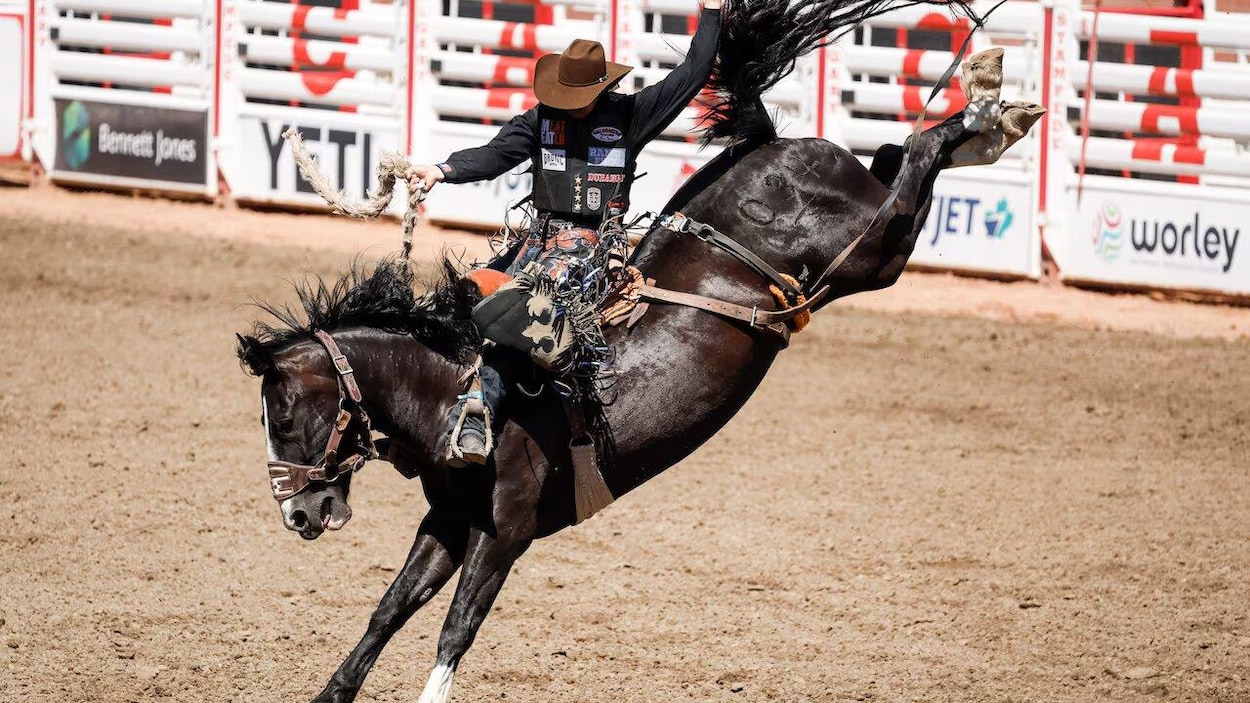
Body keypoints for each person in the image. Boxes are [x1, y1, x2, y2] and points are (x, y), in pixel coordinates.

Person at [407, 0, 723, 467]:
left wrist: (712, 12)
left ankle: (478, 412)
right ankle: (420, 420)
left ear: (600, 89)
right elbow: (496, 155)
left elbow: (692, 73)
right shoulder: (541, 119)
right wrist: (442, 169)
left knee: (515, 310)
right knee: (465, 297)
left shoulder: (631, 115)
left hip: (594, 246)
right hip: (538, 239)